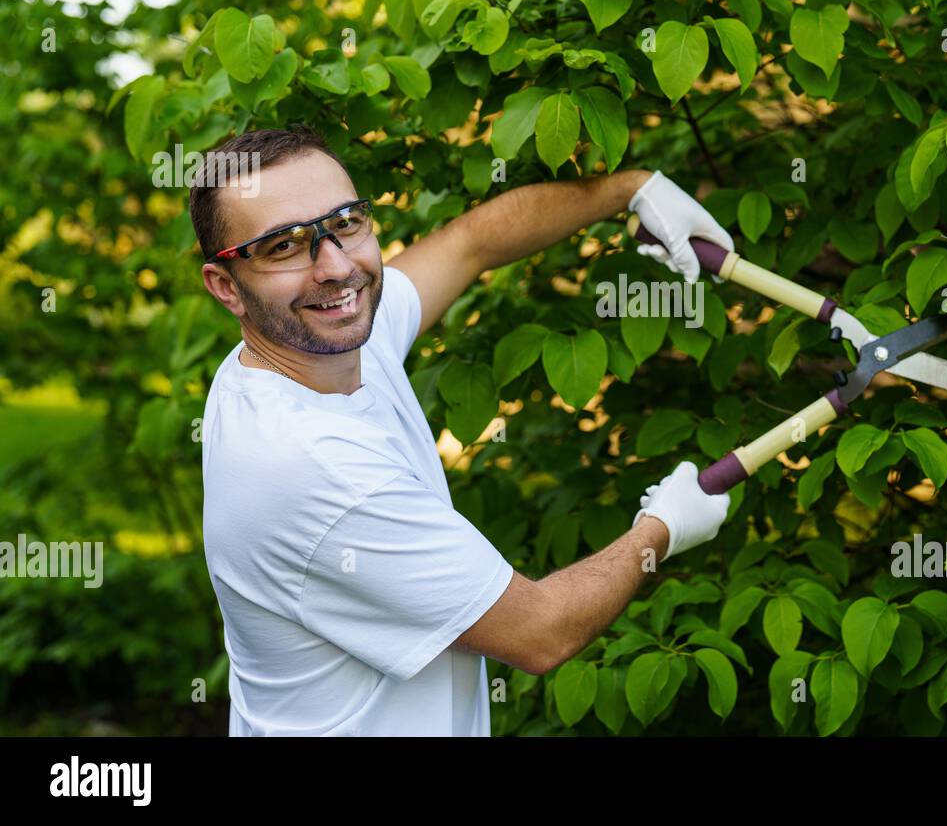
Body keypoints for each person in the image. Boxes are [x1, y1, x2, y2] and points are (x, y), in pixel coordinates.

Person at [191, 126, 734, 735]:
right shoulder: (313, 469)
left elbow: (471, 242)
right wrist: (662, 528)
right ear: (224, 286)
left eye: (345, 222)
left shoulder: (312, 352)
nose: (337, 267)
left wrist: (632, 190)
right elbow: (541, 633)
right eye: (283, 246)